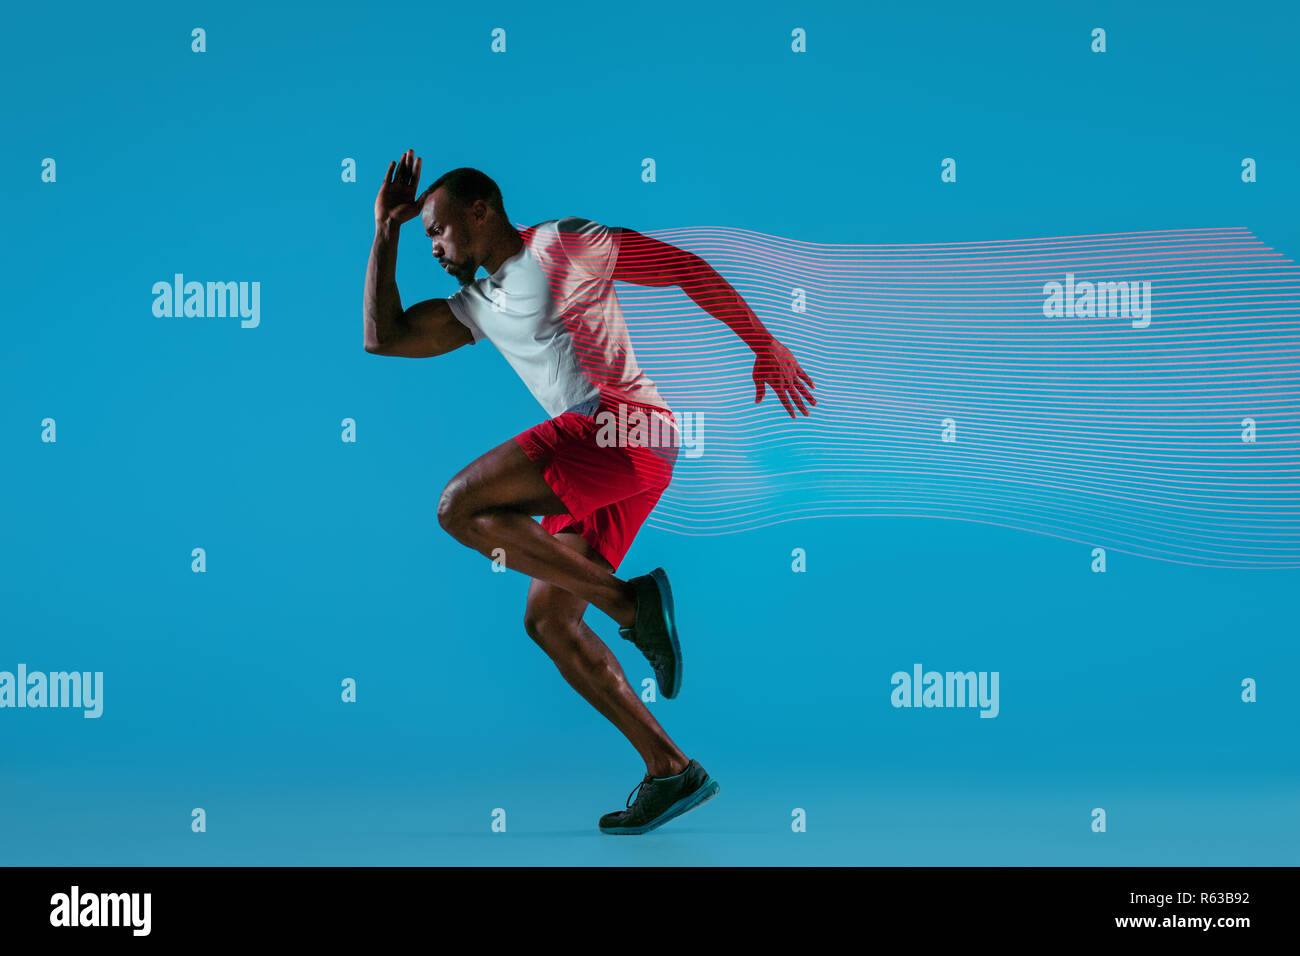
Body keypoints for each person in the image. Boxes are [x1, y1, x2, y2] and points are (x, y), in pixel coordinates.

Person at [362, 149, 815, 834]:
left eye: (437, 229)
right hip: (615, 468)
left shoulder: (562, 243)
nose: (433, 245)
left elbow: (682, 267)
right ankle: (672, 769)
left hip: (623, 430)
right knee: (548, 619)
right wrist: (385, 229)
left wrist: (762, 342)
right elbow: (383, 338)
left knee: (459, 506)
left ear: (479, 211)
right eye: (424, 236)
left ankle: (631, 604)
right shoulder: (477, 306)